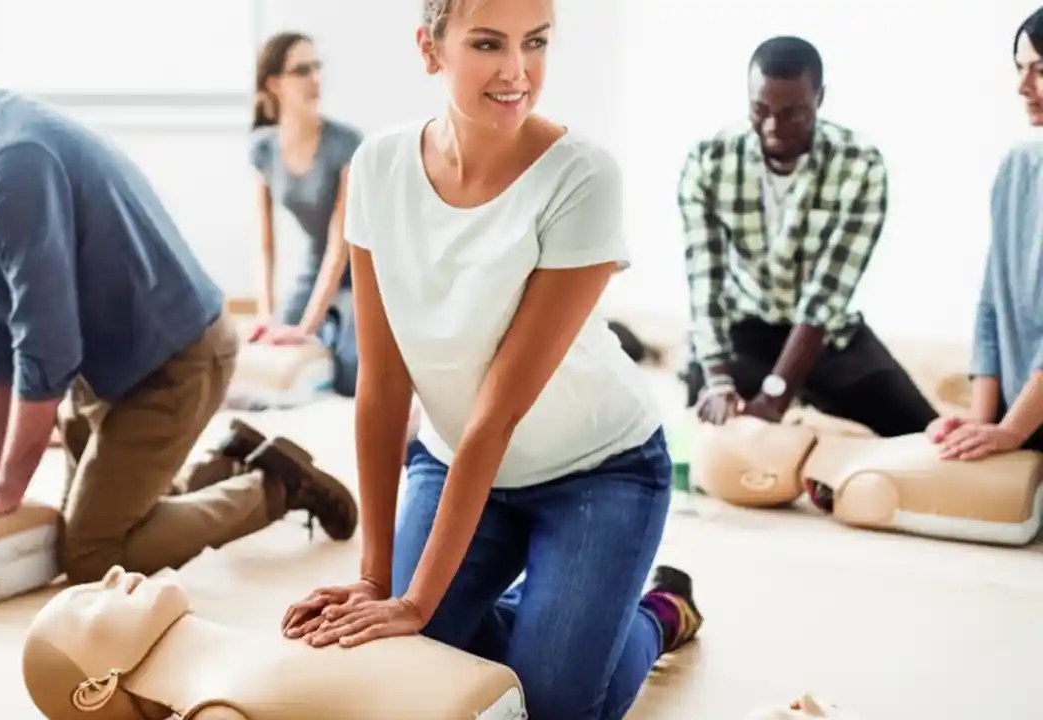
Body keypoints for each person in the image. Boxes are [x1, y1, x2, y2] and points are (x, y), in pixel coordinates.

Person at [279, 2, 702, 718]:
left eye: (535, 43)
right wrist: (377, 580)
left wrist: (416, 599)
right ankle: (549, 614)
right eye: (486, 44)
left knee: (550, 706)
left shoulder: (584, 176)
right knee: (404, 666)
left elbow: (497, 413)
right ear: (429, 49)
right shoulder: (378, 167)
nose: (516, 71)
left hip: (600, 471)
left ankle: (655, 612)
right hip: (452, 463)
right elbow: (382, 388)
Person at [0, 41, 357, 583]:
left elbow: (45, 341)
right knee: (98, 517)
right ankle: (234, 462)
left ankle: (279, 487)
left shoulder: (14, 159)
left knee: (88, 555)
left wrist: (9, 482)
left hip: (176, 362)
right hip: (106, 369)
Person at [680, 35, 936, 438]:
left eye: (792, 114)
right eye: (759, 110)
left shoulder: (861, 165)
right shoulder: (708, 160)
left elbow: (827, 296)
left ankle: (801, 396)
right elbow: (704, 282)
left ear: (819, 98)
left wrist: (775, 397)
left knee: (924, 432)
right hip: (744, 331)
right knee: (709, 433)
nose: (772, 127)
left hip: (826, 337)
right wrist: (717, 380)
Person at [928, 7, 1043, 461]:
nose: (1022, 87)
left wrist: (1012, 430)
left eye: (1040, 70)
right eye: (1019, 69)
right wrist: (984, 419)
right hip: (1022, 418)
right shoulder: (1017, 170)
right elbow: (992, 303)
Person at [248, 32, 363, 397]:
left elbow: (339, 246)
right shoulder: (263, 149)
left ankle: (330, 330)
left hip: (363, 268)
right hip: (315, 268)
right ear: (274, 83)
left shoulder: (346, 143)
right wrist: (265, 314)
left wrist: (306, 329)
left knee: (351, 374)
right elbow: (265, 243)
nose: (316, 78)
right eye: (302, 70)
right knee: (273, 342)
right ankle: (325, 327)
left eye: (317, 67)